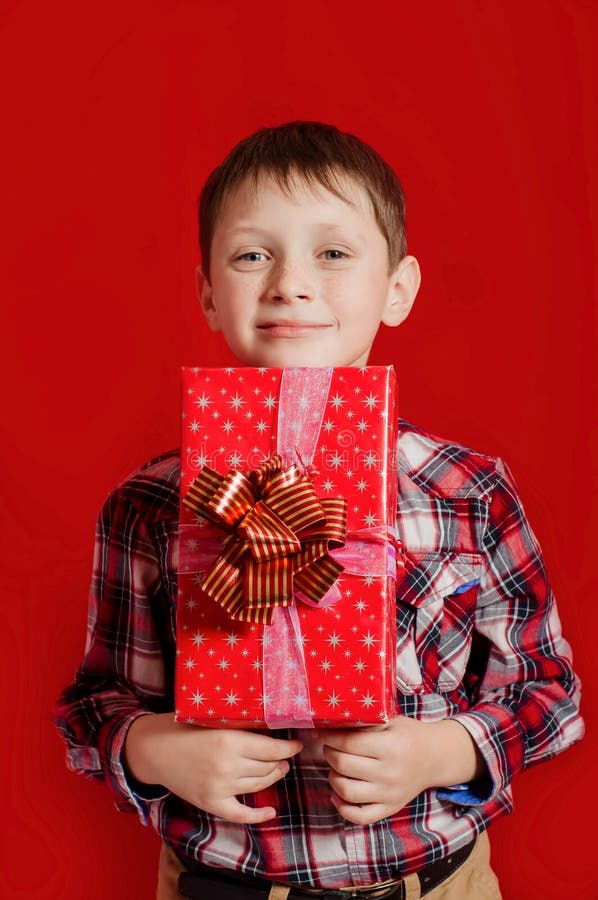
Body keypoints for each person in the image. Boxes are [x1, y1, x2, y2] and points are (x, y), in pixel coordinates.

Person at [53, 121, 584, 900]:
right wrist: (150, 747)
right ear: (206, 291)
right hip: (220, 884)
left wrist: (443, 753)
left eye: (332, 253)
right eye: (251, 255)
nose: (289, 284)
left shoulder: (467, 490)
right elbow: (96, 702)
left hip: (433, 884)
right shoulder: (150, 505)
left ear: (397, 289)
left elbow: (549, 691)